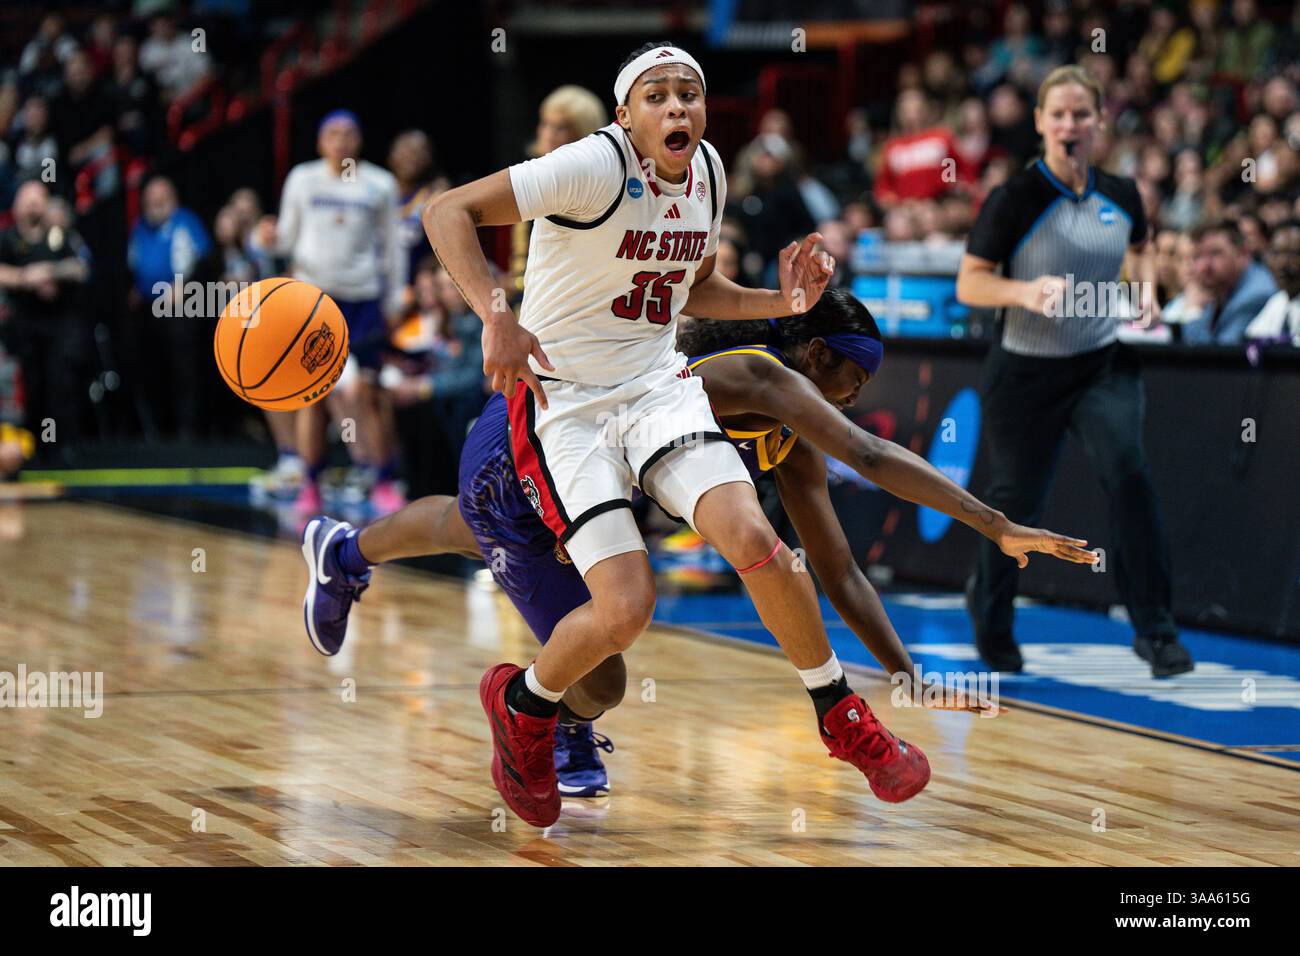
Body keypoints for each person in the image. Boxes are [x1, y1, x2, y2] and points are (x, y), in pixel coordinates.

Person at [323, 41, 925, 828]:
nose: (678, 107)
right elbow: (447, 212)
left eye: (690, 94)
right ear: (624, 116)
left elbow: (693, 286)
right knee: (625, 609)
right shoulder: (592, 166)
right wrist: (496, 315)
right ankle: (524, 705)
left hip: (653, 386)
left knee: (751, 533)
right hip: (563, 402)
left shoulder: (707, 170)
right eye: (658, 96)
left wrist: (779, 302)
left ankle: (839, 712)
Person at [300, 290, 1096, 796]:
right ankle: (553, 718)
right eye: (853, 384)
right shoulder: (753, 374)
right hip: (530, 446)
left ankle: (342, 552)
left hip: (586, 471)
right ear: (816, 357)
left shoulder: (788, 442)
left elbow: (839, 570)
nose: (856, 402)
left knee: (462, 534)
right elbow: (875, 456)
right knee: (596, 666)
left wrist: (908, 677)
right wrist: (994, 524)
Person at [955, 65, 1193, 678]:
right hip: (1026, 371)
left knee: (1127, 471)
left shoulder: (1123, 193)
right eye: (1057, 113)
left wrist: (1146, 291)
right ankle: (990, 613)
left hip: (1101, 365)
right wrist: (1024, 291)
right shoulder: (1014, 199)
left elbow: (1140, 249)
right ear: (1039, 123)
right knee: (1014, 502)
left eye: (1081, 114)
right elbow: (970, 283)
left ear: (1098, 123)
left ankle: (1156, 630)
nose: (1070, 124)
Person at [255, 110, 406, 514]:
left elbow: (393, 246)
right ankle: (310, 484)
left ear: (358, 142)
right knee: (312, 397)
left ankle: (383, 479)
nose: (340, 141)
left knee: (369, 394)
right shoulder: (302, 179)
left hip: (364, 299)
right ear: (321, 143)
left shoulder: (380, 184)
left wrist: (393, 300)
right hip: (314, 301)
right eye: (332, 134)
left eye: (348, 134)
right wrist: (266, 239)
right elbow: (284, 238)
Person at [0, 180, 90, 450]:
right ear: (16, 205)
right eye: (27, 198)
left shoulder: (59, 235)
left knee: (60, 382)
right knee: (29, 384)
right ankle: (29, 443)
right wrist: (25, 278)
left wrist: (51, 272)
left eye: (39, 197)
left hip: (58, 324)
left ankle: (60, 445)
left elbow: (81, 268)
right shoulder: (7, 238)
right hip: (22, 326)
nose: (33, 203)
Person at [126, 175, 211, 440]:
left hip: (179, 309)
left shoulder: (185, 222)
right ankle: (158, 430)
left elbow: (203, 260)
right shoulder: (140, 226)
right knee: (152, 369)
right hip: (148, 311)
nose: (154, 205)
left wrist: (183, 287)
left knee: (183, 370)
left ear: (172, 200)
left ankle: (189, 430)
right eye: (149, 201)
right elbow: (135, 262)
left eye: (160, 200)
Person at [507, 86, 608, 306]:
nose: (549, 133)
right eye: (545, 123)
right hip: (528, 299)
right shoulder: (530, 176)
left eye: (561, 127)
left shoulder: (589, 186)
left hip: (570, 300)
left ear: (583, 132)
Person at [1170, 220, 1278, 345]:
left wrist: (1194, 311)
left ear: (1243, 254)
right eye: (1198, 256)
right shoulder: (1218, 289)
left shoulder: (1255, 295)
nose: (1205, 266)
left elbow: (1217, 357)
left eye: (1215, 253)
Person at [1245, 219, 1300, 345]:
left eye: (1293, 254)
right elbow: (1250, 341)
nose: (1282, 263)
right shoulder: (1278, 301)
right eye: (1276, 253)